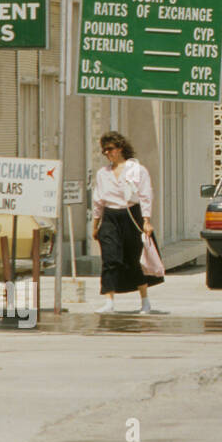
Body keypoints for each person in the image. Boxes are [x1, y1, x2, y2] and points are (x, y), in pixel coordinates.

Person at [91, 131, 162, 314]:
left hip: (132, 215)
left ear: (120, 148)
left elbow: (146, 195)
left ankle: (145, 301)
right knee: (110, 258)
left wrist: (146, 220)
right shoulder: (102, 173)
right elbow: (98, 200)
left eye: (110, 149)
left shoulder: (136, 169)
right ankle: (109, 301)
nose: (107, 153)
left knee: (136, 258)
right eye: (104, 151)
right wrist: (95, 225)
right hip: (110, 217)